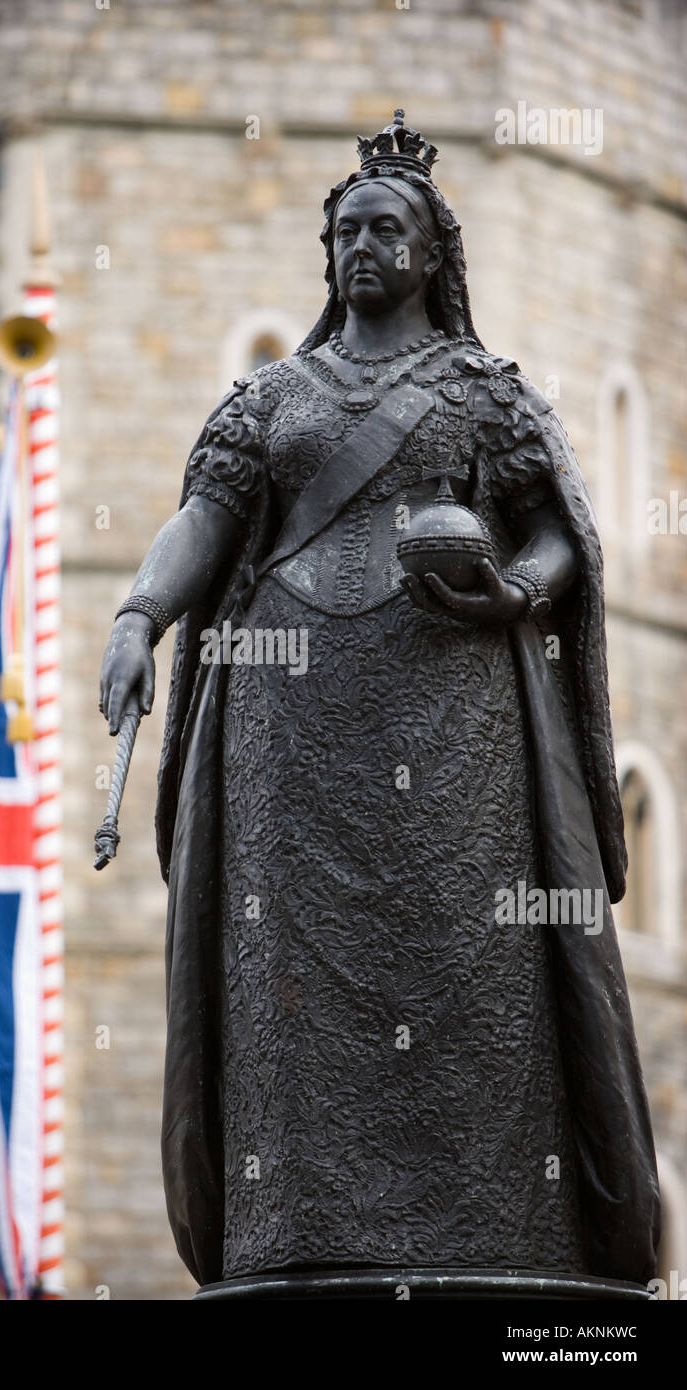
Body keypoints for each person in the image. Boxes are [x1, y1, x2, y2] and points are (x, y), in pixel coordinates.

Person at [98, 110, 660, 1292]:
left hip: (453, 716)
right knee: (287, 981)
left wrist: (512, 589)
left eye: (384, 228)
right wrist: (139, 617)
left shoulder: (484, 393)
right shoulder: (268, 401)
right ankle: (288, 1234)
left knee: (468, 962)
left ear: (427, 252)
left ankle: (501, 1237)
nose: (362, 246)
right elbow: (201, 522)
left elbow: (564, 536)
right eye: (346, 229)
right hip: (286, 729)